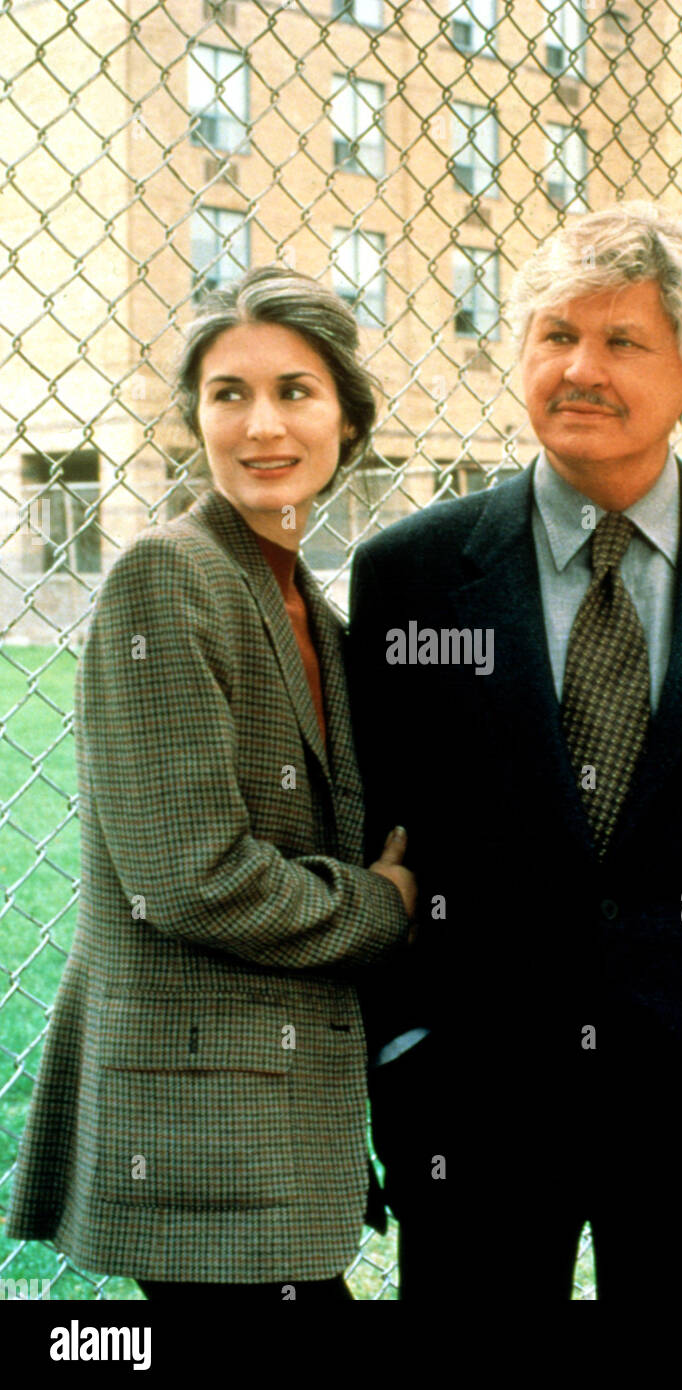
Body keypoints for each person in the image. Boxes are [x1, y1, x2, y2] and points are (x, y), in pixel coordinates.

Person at [347, 203, 682, 1301]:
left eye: (624, 341)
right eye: (555, 335)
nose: (580, 368)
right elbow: (371, 823)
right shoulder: (410, 569)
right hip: (474, 1094)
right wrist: (404, 1039)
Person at [6, 265, 416, 1302]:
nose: (259, 423)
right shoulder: (168, 573)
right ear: (194, 418)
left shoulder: (315, 611)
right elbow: (193, 876)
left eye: (294, 390)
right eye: (227, 393)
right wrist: (385, 903)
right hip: (196, 1133)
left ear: (347, 420)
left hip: (280, 1118)